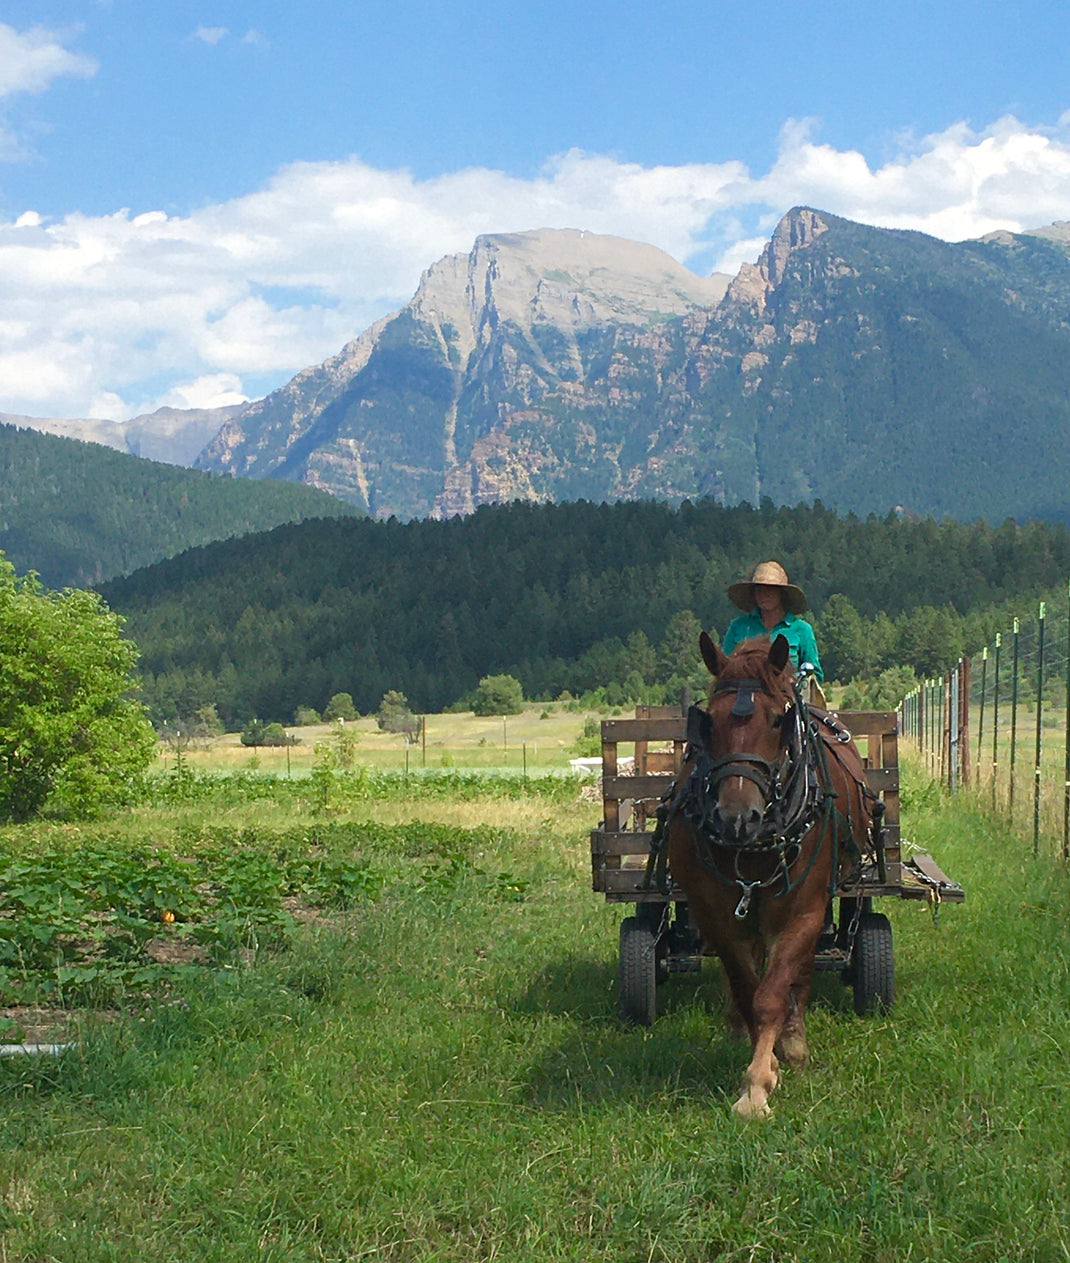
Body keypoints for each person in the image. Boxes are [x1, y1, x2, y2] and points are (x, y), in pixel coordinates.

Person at [722, 560, 824, 685]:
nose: (763, 594)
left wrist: (793, 681)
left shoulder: (802, 630)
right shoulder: (738, 626)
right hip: (745, 695)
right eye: (759, 589)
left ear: (782, 593)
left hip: (787, 697)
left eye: (770, 589)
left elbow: (816, 675)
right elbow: (724, 668)